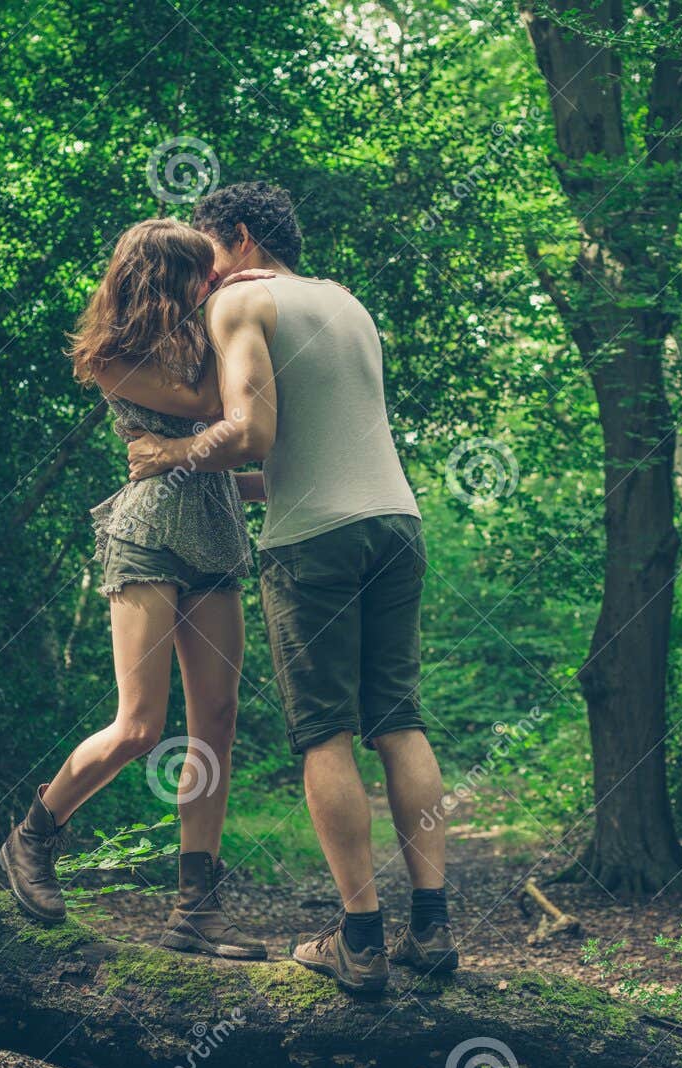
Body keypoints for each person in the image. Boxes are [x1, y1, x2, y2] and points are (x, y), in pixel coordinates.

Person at [126, 183, 457, 994]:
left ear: (237, 240)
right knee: (400, 722)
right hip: (396, 525)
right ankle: (433, 929)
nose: (199, 278)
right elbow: (302, 459)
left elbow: (251, 435)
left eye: (204, 256)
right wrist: (220, 487)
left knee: (324, 735)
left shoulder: (241, 306)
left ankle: (361, 940)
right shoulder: (346, 303)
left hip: (314, 547)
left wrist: (166, 457)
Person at [0, 218, 267, 961]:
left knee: (216, 719)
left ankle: (196, 908)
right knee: (141, 725)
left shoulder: (214, 332)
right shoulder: (112, 355)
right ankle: (32, 838)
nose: (216, 283)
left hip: (216, 527)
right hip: (146, 534)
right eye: (202, 276)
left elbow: (241, 422)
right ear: (165, 278)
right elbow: (212, 403)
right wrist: (249, 317)